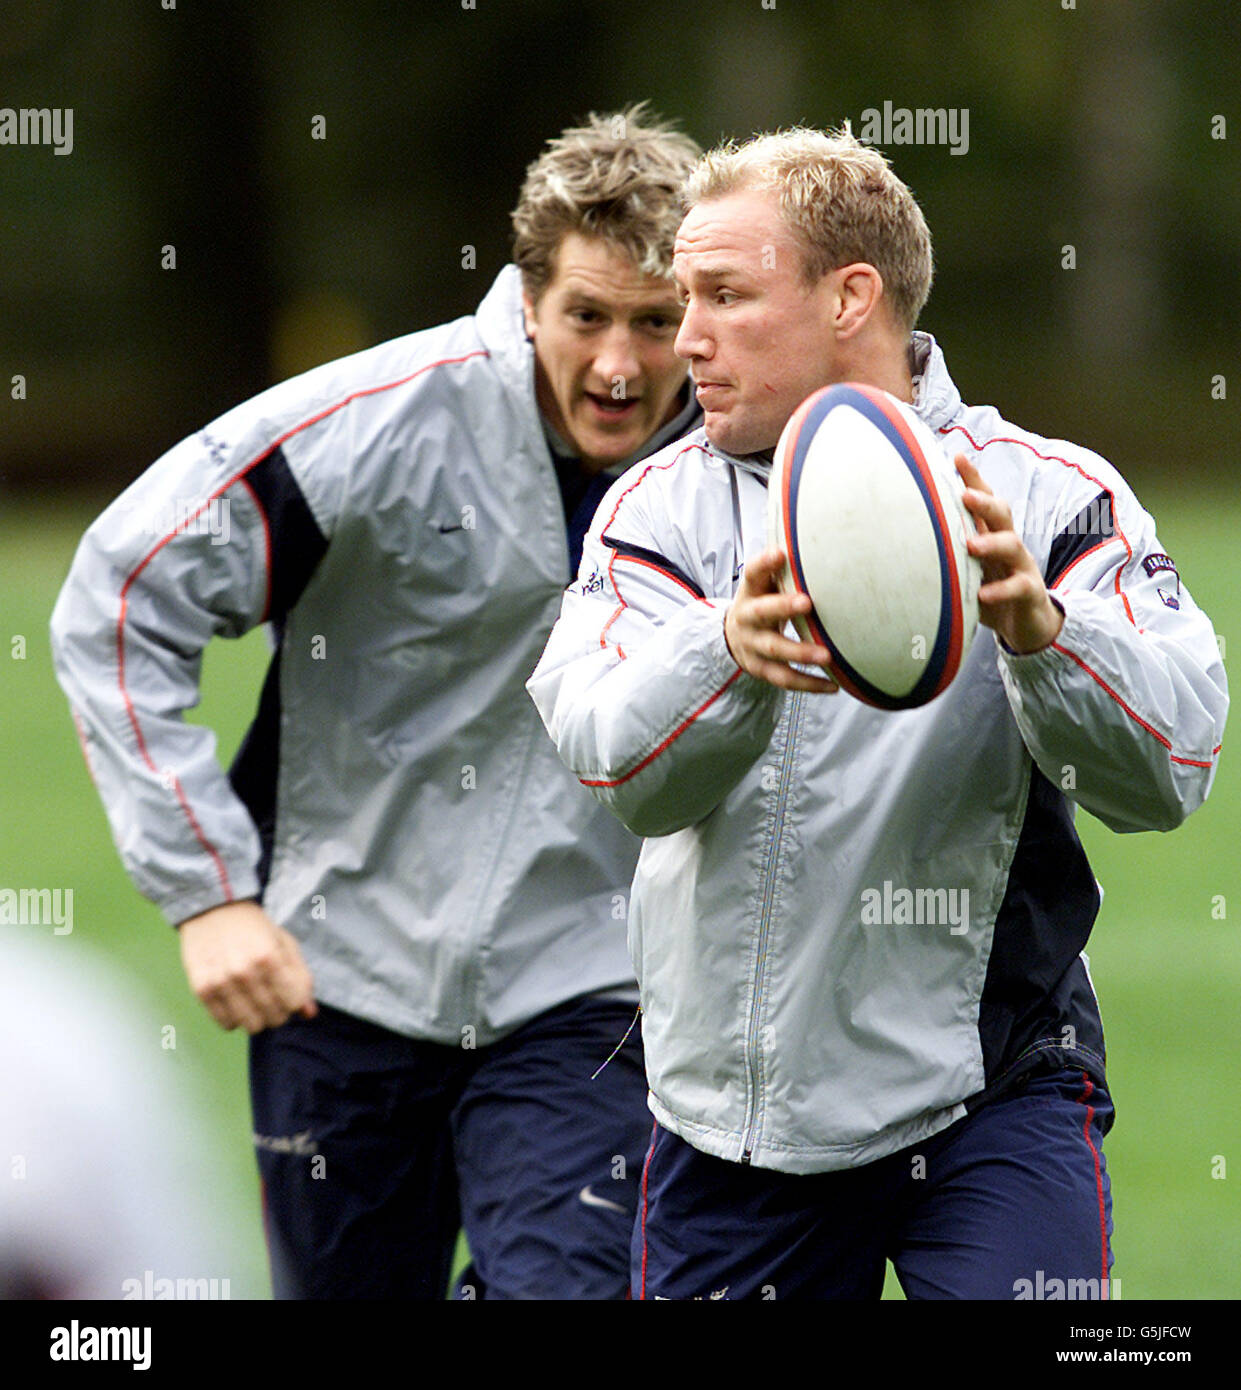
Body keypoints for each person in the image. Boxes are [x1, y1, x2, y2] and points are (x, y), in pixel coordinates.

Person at [528, 125, 1228, 1300]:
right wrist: (726, 655)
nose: (680, 338)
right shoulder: (655, 509)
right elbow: (609, 760)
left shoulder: (1046, 493)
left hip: (992, 1092)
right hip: (731, 1124)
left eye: (721, 295)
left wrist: (1044, 639)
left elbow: (1176, 762)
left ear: (850, 297)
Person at [50, 105, 701, 1300]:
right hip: (333, 972)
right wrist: (208, 895)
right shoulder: (370, 422)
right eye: (588, 317)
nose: (619, 363)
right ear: (527, 297)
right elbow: (120, 593)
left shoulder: (745, 466)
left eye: (656, 324)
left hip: (590, 986)